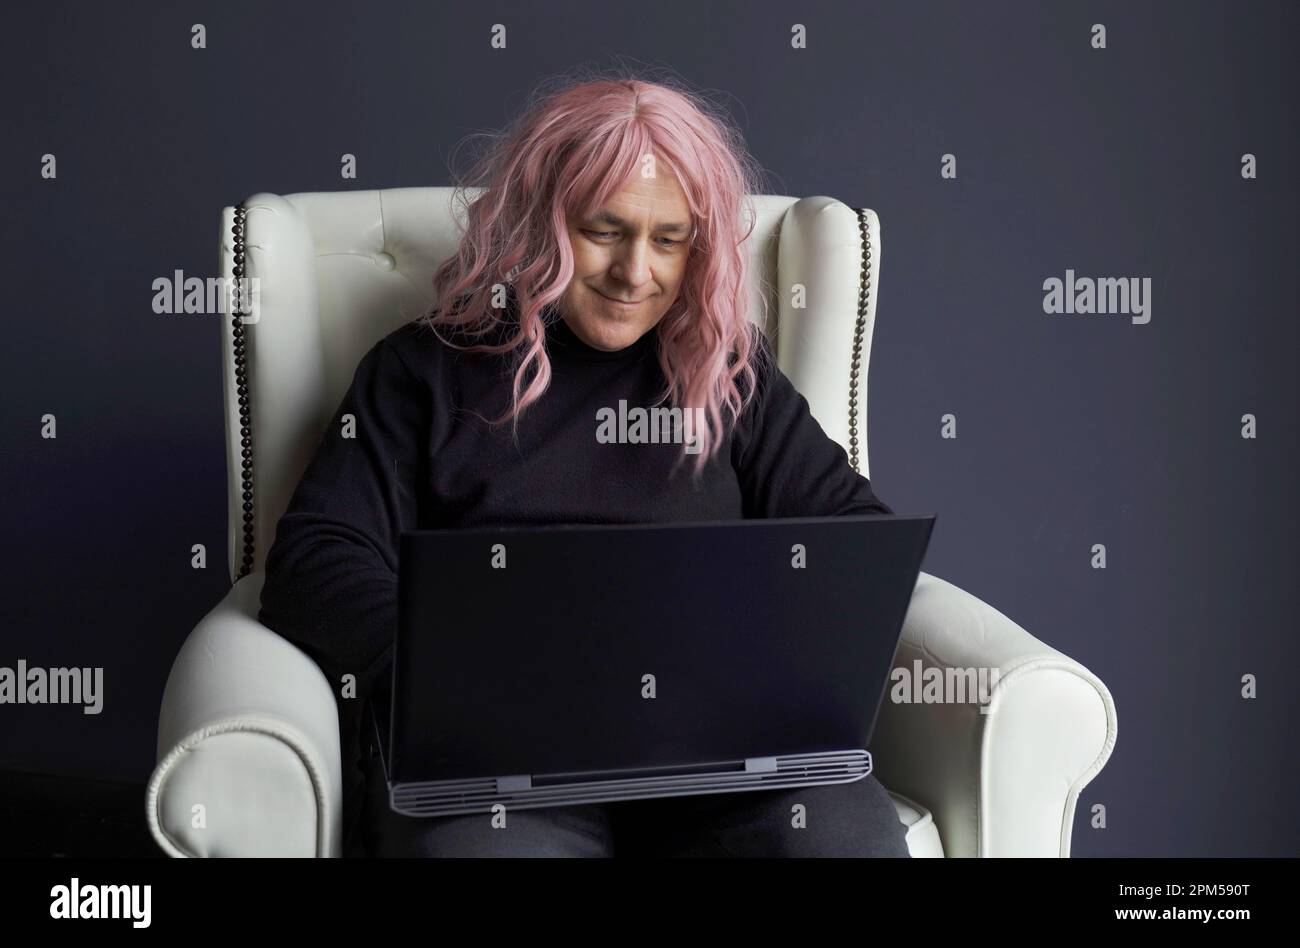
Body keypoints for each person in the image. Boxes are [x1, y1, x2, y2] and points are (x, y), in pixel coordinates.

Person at [257, 73, 911, 858]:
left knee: (840, 840)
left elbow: (855, 544)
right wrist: (455, 670)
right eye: (605, 230)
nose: (635, 272)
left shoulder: (732, 377)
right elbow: (316, 557)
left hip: (719, 756)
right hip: (497, 758)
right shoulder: (419, 373)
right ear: (542, 222)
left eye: (668, 240)